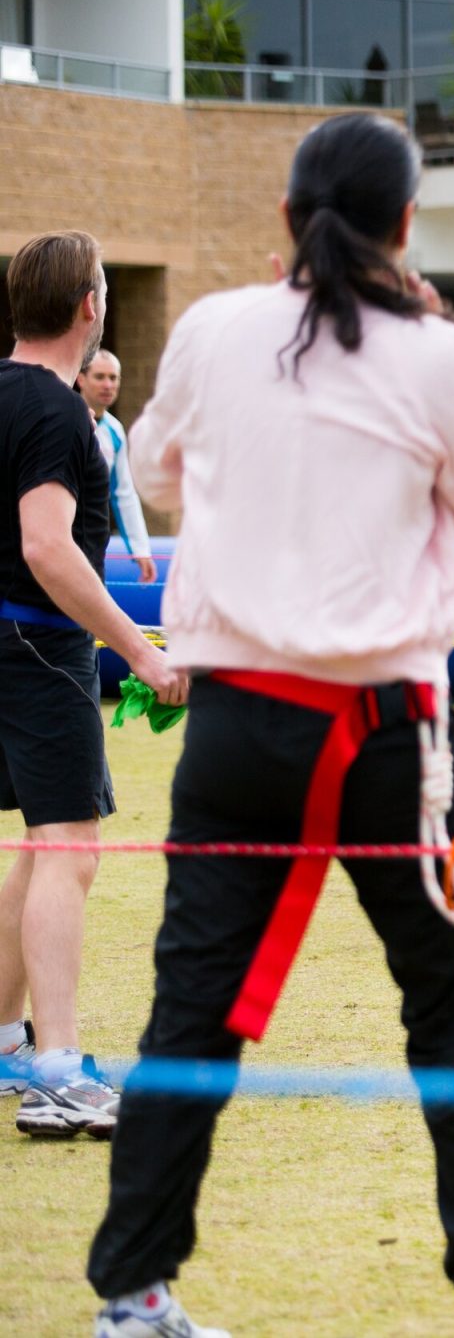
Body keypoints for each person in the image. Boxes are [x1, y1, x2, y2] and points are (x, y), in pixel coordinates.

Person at [84, 114, 454, 1337]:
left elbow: (153, 472)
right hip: (387, 736)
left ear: (286, 220)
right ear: (407, 226)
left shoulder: (214, 327)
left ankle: (133, 1295)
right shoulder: (432, 353)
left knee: (188, 1008)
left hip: (238, 725)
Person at [0, 230, 186, 1143]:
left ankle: (7, 1043)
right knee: (69, 847)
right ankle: (59, 1076)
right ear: (88, 306)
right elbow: (47, 547)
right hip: (37, 651)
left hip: (16, 649)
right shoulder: (56, 411)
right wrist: (142, 652)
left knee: (42, 845)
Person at [77, 350, 158, 585]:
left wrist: (140, 548)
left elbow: (124, 493)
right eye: (99, 377)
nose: (107, 384)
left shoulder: (115, 430)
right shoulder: (66, 419)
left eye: (113, 378)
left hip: (92, 538)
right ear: (81, 379)